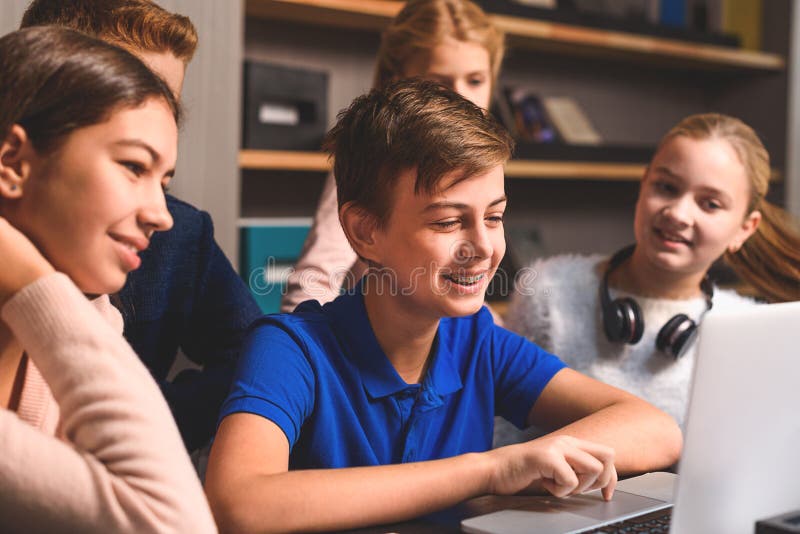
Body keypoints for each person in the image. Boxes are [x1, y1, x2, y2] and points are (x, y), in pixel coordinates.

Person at [204, 79, 682, 533]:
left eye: (494, 216)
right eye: (449, 222)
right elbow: (239, 504)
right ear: (366, 232)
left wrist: (537, 460)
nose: (484, 247)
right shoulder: (290, 350)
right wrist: (490, 470)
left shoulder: (478, 340)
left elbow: (657, 431)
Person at [20, 0, 262, 452]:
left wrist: (143, 418)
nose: (156, 118)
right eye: (129, 89)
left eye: (168, 103)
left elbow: (256, 355)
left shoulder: (177, 237)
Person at [0, 26, 215, 532]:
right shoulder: (69, 314)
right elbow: (173, 521)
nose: (162, 215)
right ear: (13, 163)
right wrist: (37, 285)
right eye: (134, 166)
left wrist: (34, 280)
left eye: (164, 182)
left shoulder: (91, 317)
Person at [498, 113, 800, 446]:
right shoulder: (549, 290)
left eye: (710, 204)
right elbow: (502, 434)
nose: (678, 214)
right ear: (643, 185)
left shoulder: (749, 330)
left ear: (745, 228)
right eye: (666, 188)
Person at [281, 0, 503, 312]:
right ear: (397, 79)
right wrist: (299, 342)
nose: (461, 96)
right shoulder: (376, 162)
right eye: (438, 83)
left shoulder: (486, 167)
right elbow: (313, 281)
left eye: (475, 80)